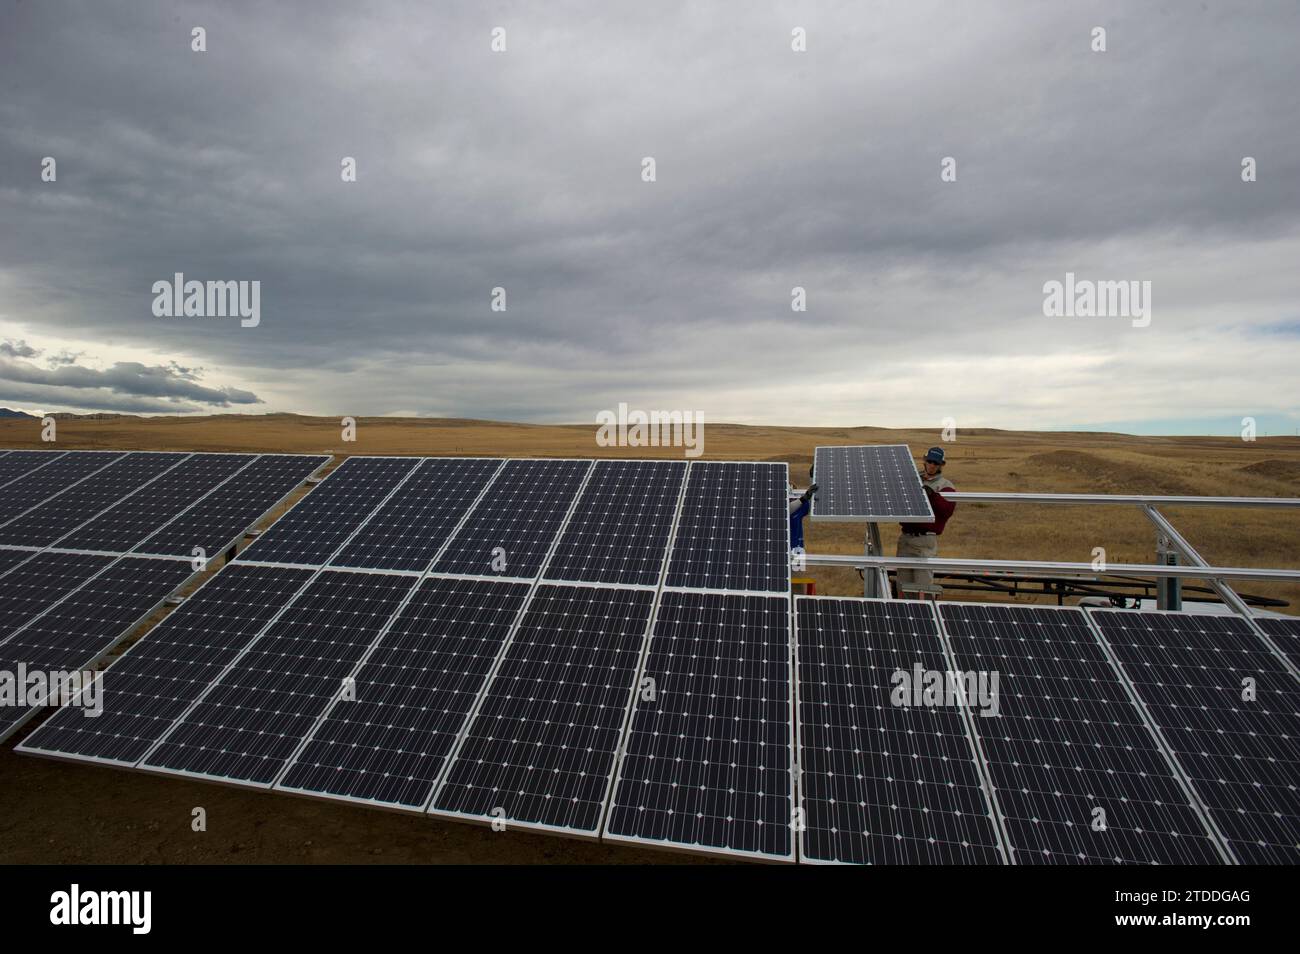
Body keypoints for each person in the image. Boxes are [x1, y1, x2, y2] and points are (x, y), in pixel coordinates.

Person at [894, 447, 956, 596]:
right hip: (906, 539)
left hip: (925, 541)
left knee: (923, 588)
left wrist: (932, 496)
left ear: (942, 464)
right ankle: (904, 614)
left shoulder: (946, 486)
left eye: (936, 463)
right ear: (924, 460)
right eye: (930, 461)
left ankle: (924, 616)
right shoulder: (912, 480)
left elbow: (947, 511)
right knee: (903, 586)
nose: (932, 465)